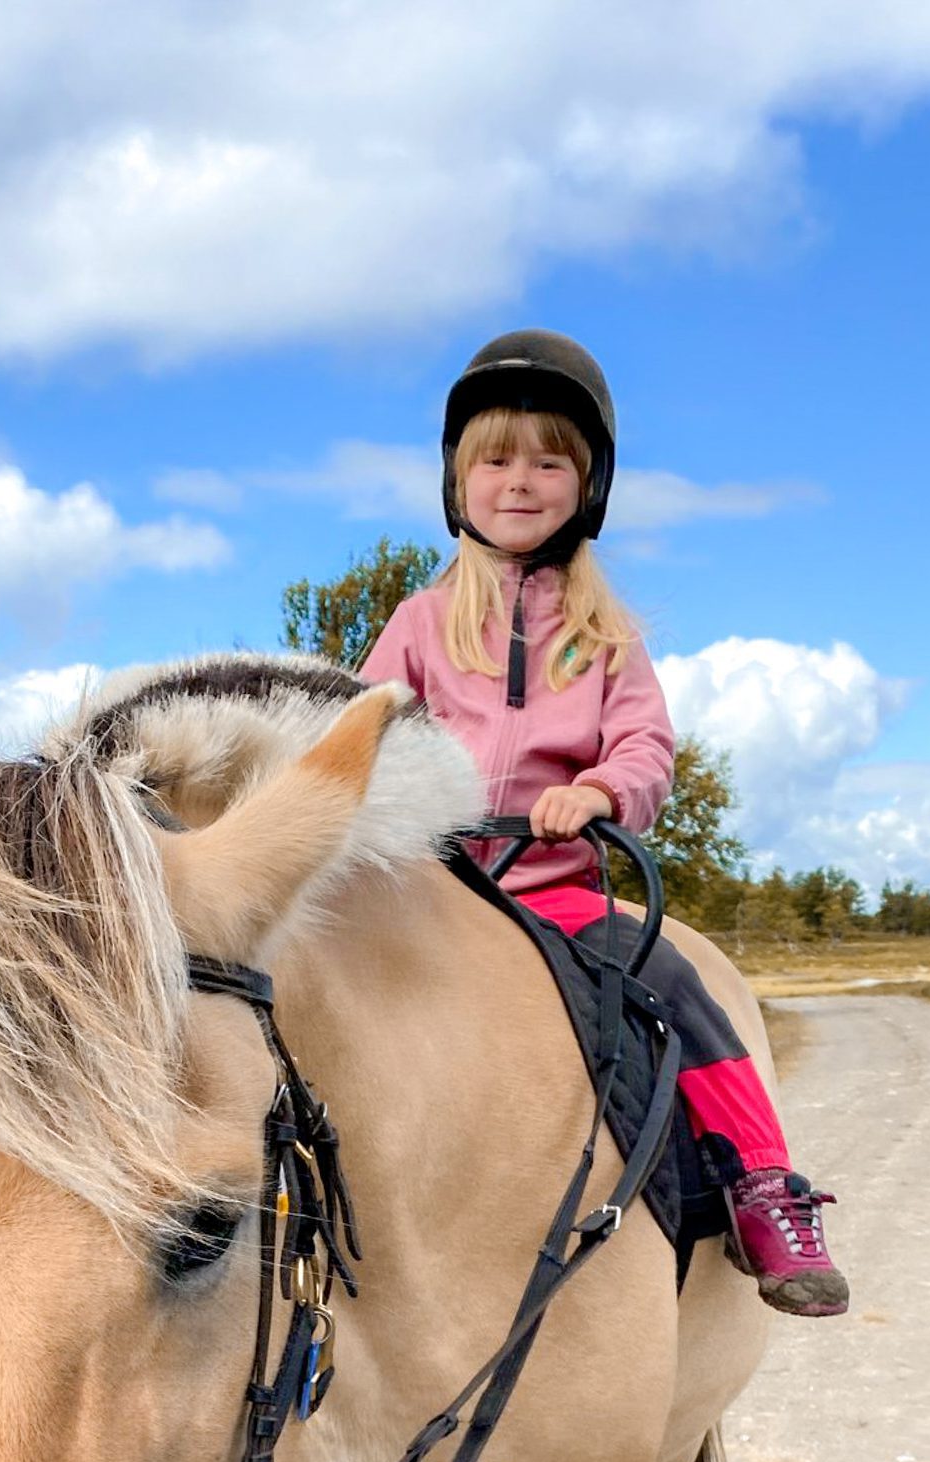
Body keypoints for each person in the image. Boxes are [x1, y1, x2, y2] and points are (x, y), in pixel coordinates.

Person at [358, 328, 848, 1319]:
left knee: (675, 988)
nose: (521, 479)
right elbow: (359, 731)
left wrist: (595, 794)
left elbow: (644, 749)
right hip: (434, 896)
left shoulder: (604, 635)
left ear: (588, 486)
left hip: (558, 895)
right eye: (496, 458)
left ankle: (764, 1187)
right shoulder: (417, 623)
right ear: (457, 482)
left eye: (550, 460)